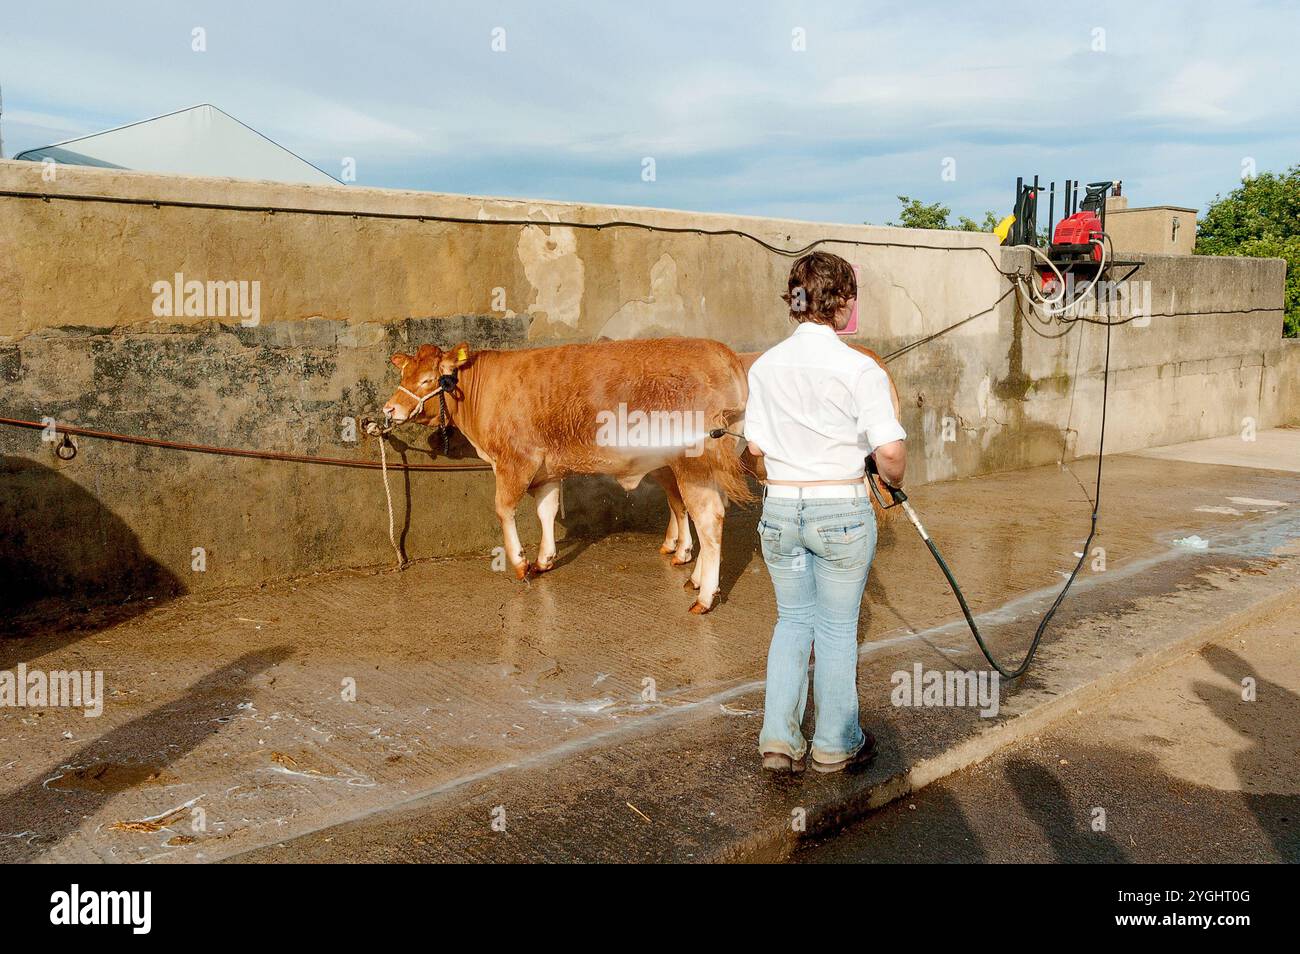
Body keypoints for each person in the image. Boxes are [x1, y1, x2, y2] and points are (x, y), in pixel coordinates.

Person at [744, 251, 907, 774]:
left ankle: (778, 741)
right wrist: (890, 478)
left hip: (780, 513)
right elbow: (892, 455)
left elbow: (755, 452)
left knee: (792, 621)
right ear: (842, 304)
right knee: (837, 629)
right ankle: (836, 745)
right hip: (840, 512)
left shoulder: (765, 367)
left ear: (796, 301)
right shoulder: (860, 368)